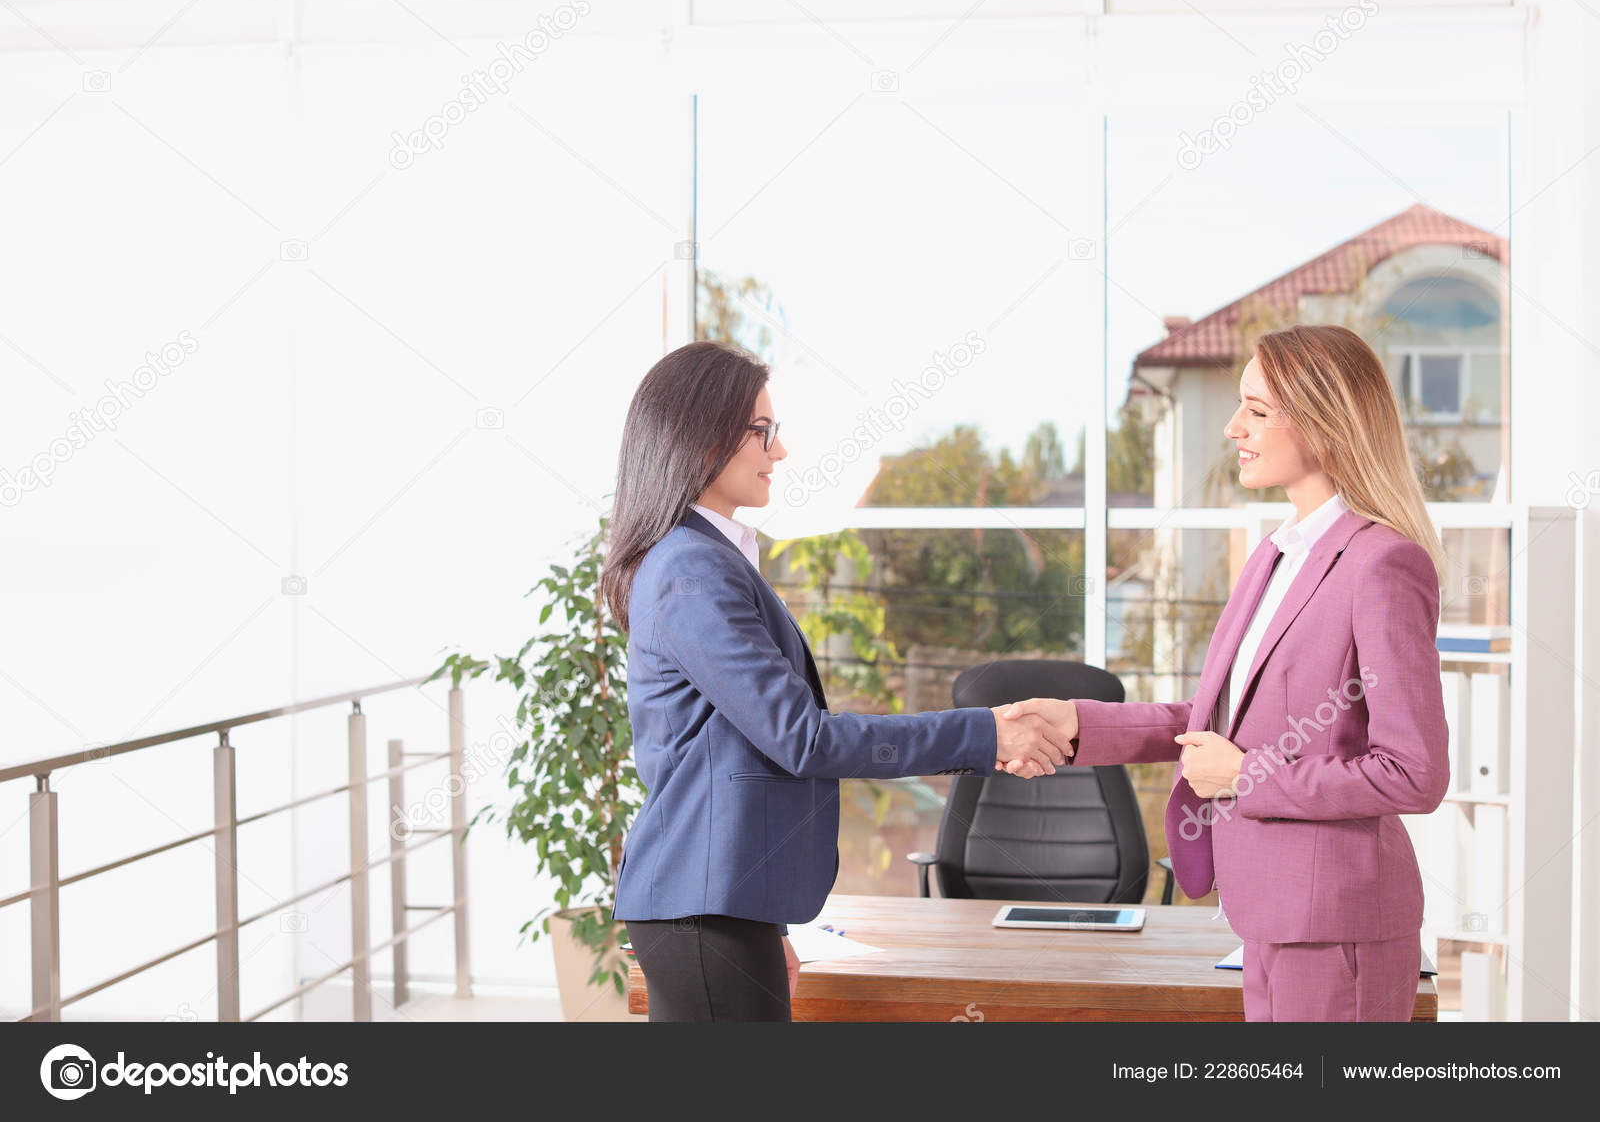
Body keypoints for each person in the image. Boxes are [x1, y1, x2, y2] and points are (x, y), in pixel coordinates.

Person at [601, 340, 1071, 1022]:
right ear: (701, 438)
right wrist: (984, 732)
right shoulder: (691, 571)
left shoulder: (700, 560)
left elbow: (735, 750)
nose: (779, 453)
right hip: (701, 912)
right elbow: (801, 737)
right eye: (762, 433)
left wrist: (766, 922)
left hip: (721, 905)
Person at [1005, 324, 1450, 1022]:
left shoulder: (1382, 563)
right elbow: (1214, 720)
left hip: (1339, 926)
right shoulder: (1273, 557)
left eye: (1257, 409)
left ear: (1324, 421)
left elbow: (1413, 772)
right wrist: (1080, 722)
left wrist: (1248, 775)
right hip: (1266, 913)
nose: (1233, 427)